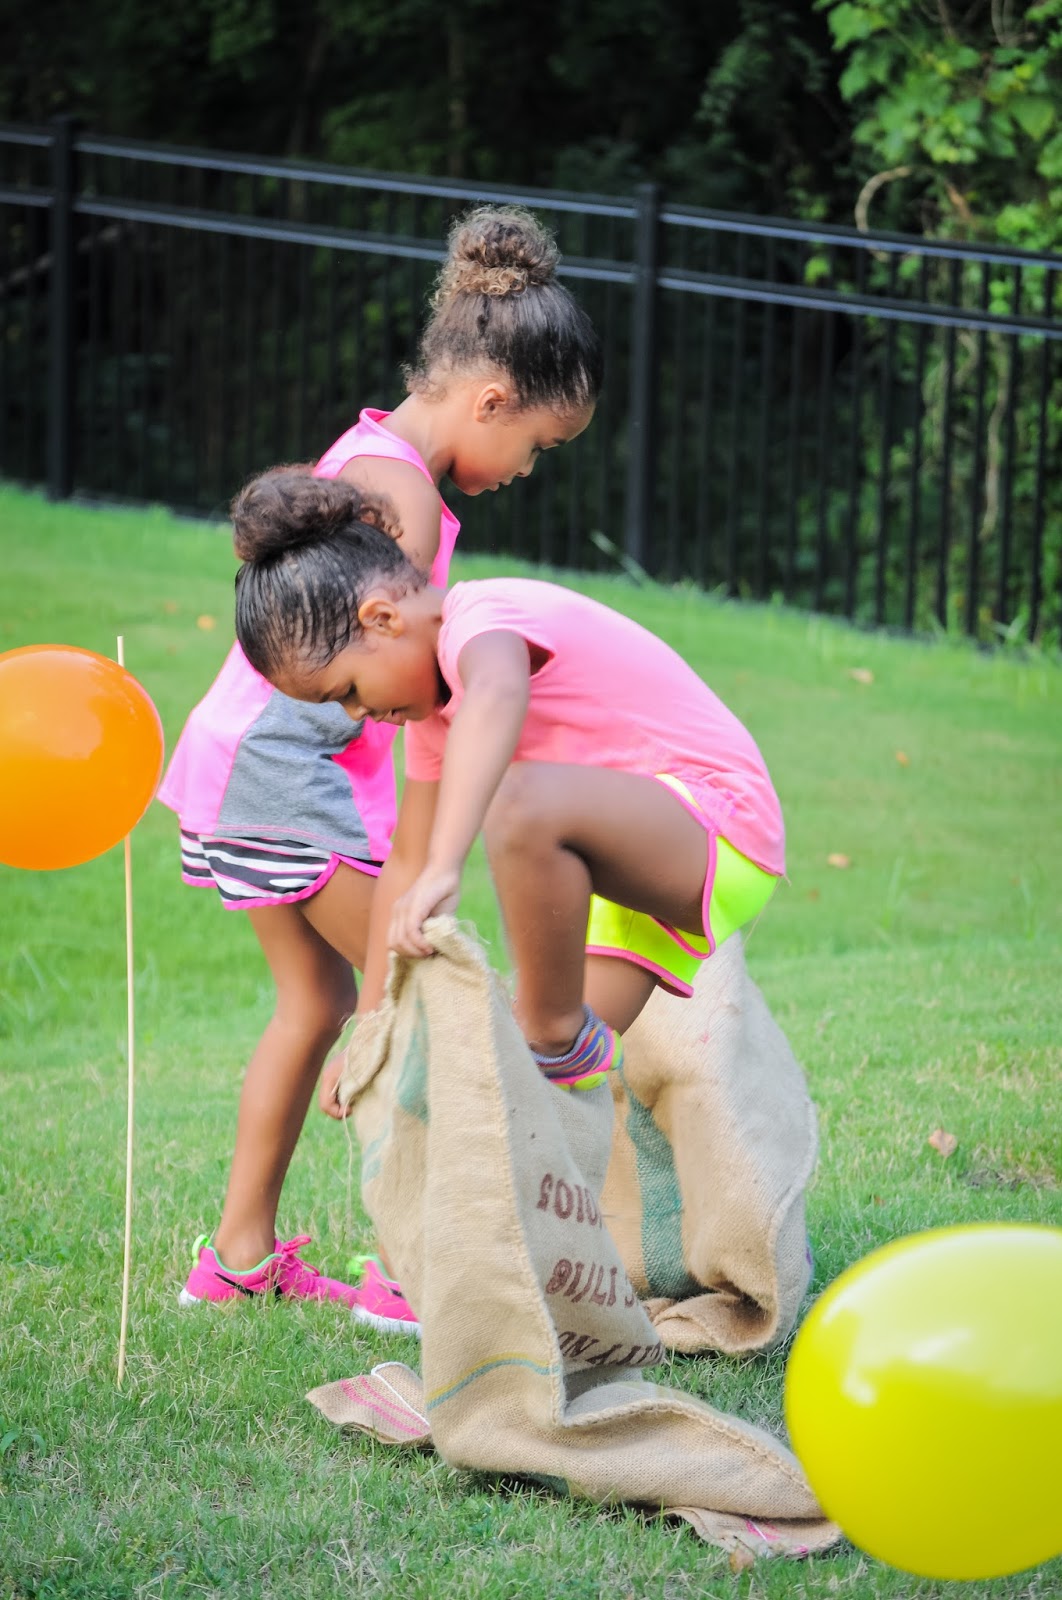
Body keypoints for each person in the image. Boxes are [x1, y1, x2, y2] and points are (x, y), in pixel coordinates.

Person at [156, 206, 602, 1321]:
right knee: (427, 1004)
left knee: (319, 1003)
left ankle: (240, 1257)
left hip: (235, 765)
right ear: (490, 400)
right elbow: (397, 675)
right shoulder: (397, 494)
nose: (527, 467)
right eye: (535, 444)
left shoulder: (377, 457)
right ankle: (409, 1272)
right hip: (282, 777)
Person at [229, 480, 784, 1096]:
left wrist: (447, 866)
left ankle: (555, 1032)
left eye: (350, 691)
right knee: (522, 1093)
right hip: (629, 897)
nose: (358, 715)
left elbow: (497, 695)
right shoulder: (436, 718)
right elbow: (405, 861)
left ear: (382, 620)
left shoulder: (483, 620)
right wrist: (372, 1026)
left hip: (716, 821)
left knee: (518, 801)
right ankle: (569, 1067)